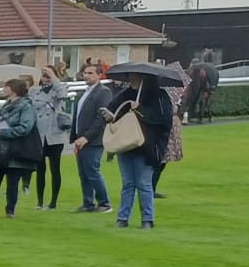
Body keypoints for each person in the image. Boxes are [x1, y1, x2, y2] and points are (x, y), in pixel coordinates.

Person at [110, 74, 174, 229]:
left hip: (147, 147)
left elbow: (164, 120)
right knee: (127, 184)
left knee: (144, 184)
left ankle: (147, 219)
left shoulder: (160, 96)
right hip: (126, 145)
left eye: (135, 78)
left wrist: (140, 110)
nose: (131, 80)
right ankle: (122, 218)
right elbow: (113, 109)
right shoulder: (126, 94)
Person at [0, 77, 40, 218]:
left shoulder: (26, 106)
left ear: (13, 89)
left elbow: (25, 128)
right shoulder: (4, 105)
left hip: (17, 150)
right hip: (1, 148)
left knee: (13, 182)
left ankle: (10, 211)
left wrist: (3, 132)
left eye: (6, 86)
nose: (3, 89)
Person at [68, 60, 115, 213]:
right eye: (85, 73)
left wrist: (87, 137)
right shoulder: (84, 92)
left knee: (92, 171)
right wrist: (75, 137)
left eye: (90, 73)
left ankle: (104, 203)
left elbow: (101, 118)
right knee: (84, 173)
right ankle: (87, 203)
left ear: (99, 75)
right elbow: (78, 116)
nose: (86, 76)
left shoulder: (103, 92)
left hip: (93, 141)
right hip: (80, 139)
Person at [30, 66, 71, 210]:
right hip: (40, 135)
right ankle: (40, 201)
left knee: (55, 169)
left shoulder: (58, 89)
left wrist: (54, 77)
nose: (45, 79)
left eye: (48, 76)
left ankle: (53, 202)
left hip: (55, 135)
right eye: (43, 76)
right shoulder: (35, 91)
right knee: (40, 169)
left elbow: (63, 95)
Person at [152, 79, 184, 194]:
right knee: (160, 159)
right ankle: (150, 188)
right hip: (165, 127)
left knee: (164, 160)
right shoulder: (159, 93)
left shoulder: (171, 92)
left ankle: (152, 188)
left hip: (172, 125)